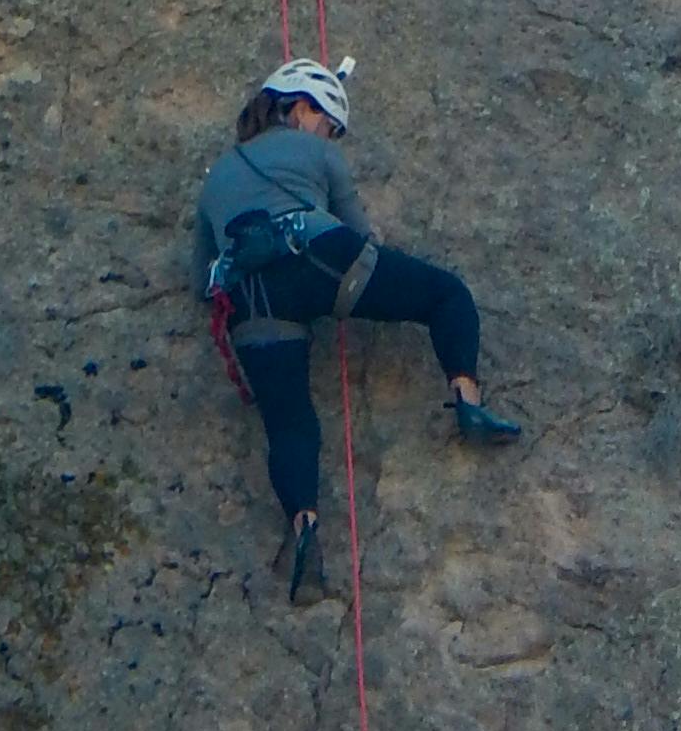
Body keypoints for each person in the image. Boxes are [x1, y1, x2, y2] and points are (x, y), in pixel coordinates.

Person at [192, 58, 520, 602]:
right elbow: (356, 231)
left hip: (252, 297)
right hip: (323, 258)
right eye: (327, 122)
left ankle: (304, 527)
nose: (330, 134)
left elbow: (201, 280)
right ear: (298, 109)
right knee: (445, 294)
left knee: (289, 425)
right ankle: (467, 400)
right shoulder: (317, 153)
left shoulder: (215, 181)